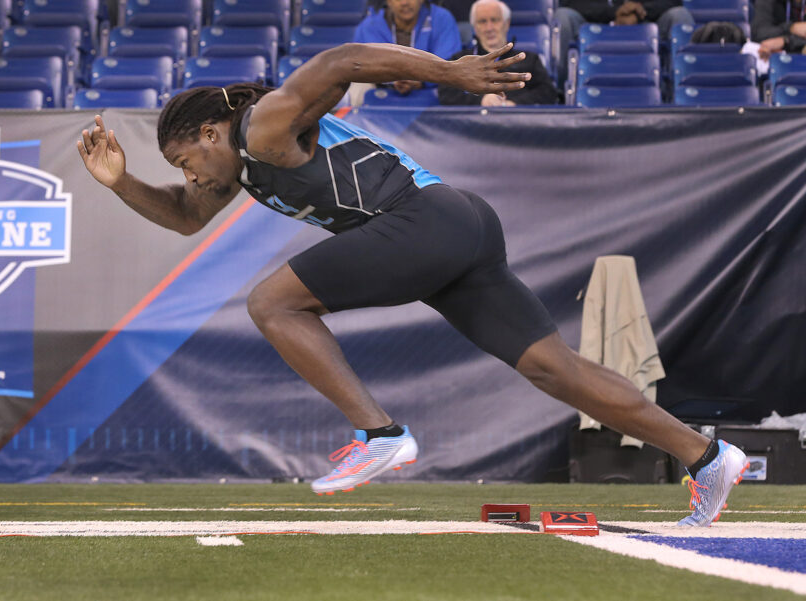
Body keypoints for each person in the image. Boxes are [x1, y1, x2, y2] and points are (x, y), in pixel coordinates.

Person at [77, 41, 747, 525]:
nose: (190, 176)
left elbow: (342, 61)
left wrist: (451, 72)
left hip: (425, 222)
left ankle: (381, 435)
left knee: (272, 303)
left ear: (210, 131)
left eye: (185, 160)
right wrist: (121, 182)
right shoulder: (238, 165)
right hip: (460, 226)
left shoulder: (264, 126)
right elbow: (185, 217)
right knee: (553, 368)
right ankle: (706, 455)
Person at [438, 0, 559, 106]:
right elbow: (446, 93)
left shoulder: (528, 59)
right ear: (474, 28)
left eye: (494, 20)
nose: (489, 28)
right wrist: (481, 100)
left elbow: (548, 92)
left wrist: (515, 103)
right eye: (482, 21)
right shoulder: (460, 61)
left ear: (507, 24)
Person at [553, 0, 695, 83]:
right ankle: (561, 93)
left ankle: (684, 92)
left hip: (647, 22)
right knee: (563, 16)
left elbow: (673, 1)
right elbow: (569, 2)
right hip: (595, 23)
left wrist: (640, 11)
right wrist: (614, 12)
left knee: (680, 15)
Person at [351, 0, 462, 104]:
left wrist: (420, 80)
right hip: (384, 87)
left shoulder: (441, 18)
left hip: (431, 88)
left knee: (456, 87)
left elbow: (448, 63)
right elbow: (361, 66)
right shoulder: (370, 25)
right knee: (357, 87)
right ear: (388, 1)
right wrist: (391, 79)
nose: (404, 2)